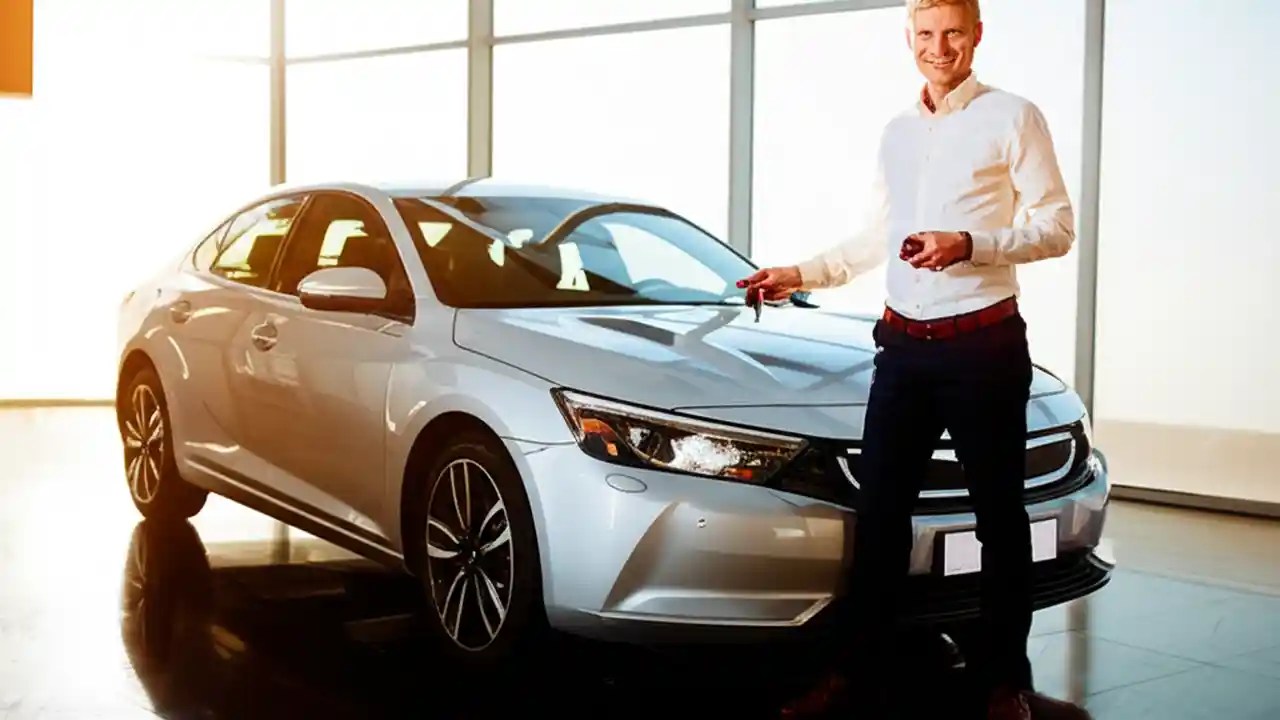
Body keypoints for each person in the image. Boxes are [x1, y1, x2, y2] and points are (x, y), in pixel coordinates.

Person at [742, 1, 1091, 718]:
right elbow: (878, 237)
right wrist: (799, 274)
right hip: (901, 349)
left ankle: (1002, 683)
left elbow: (1057, 226)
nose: (940, 48)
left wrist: (971, 244)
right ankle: (854, 674)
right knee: (879, 521)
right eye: (926, 35)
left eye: (953, 32)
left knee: (1000, 520)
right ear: (909, 39)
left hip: (983, 348)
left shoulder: (1013, 116)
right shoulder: (897, 131)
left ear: (977, 35)